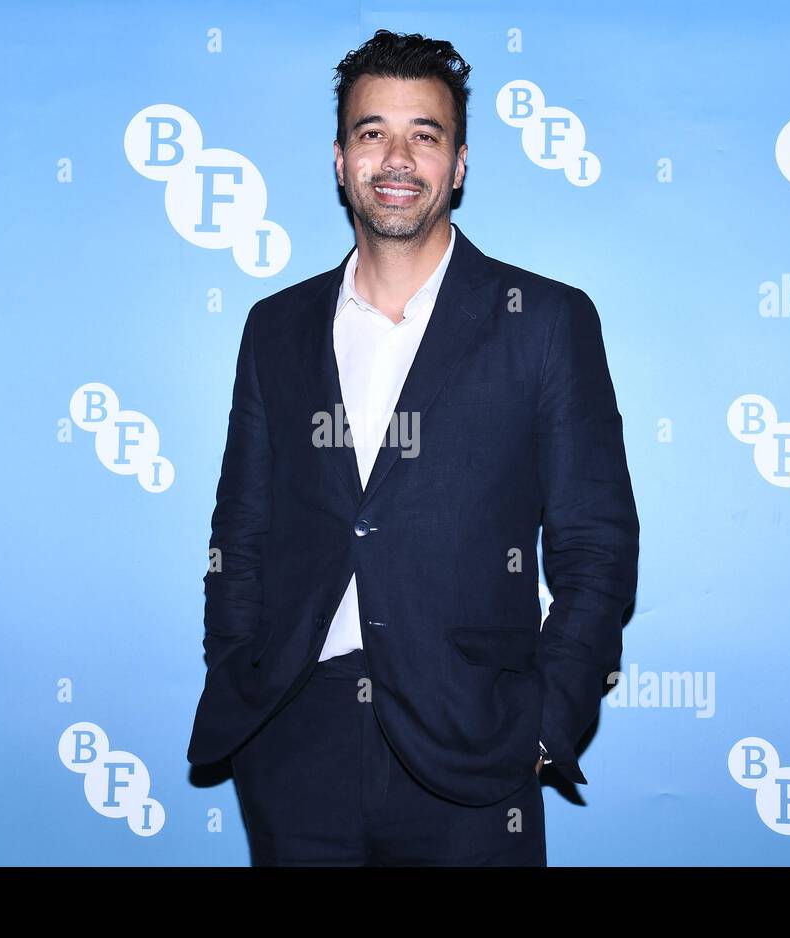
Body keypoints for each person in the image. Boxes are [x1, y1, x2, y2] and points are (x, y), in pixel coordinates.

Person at [187, 29, 640, 866]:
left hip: (473, 748)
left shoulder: (541, 322)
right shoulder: (276, 329)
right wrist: (237, 674)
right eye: (372, 133)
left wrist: (546, 719)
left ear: (459, 163)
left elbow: (596, 544)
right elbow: (241, 529)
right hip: (295, 737)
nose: (397, 158)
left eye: (423, 135)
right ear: (339, 159)